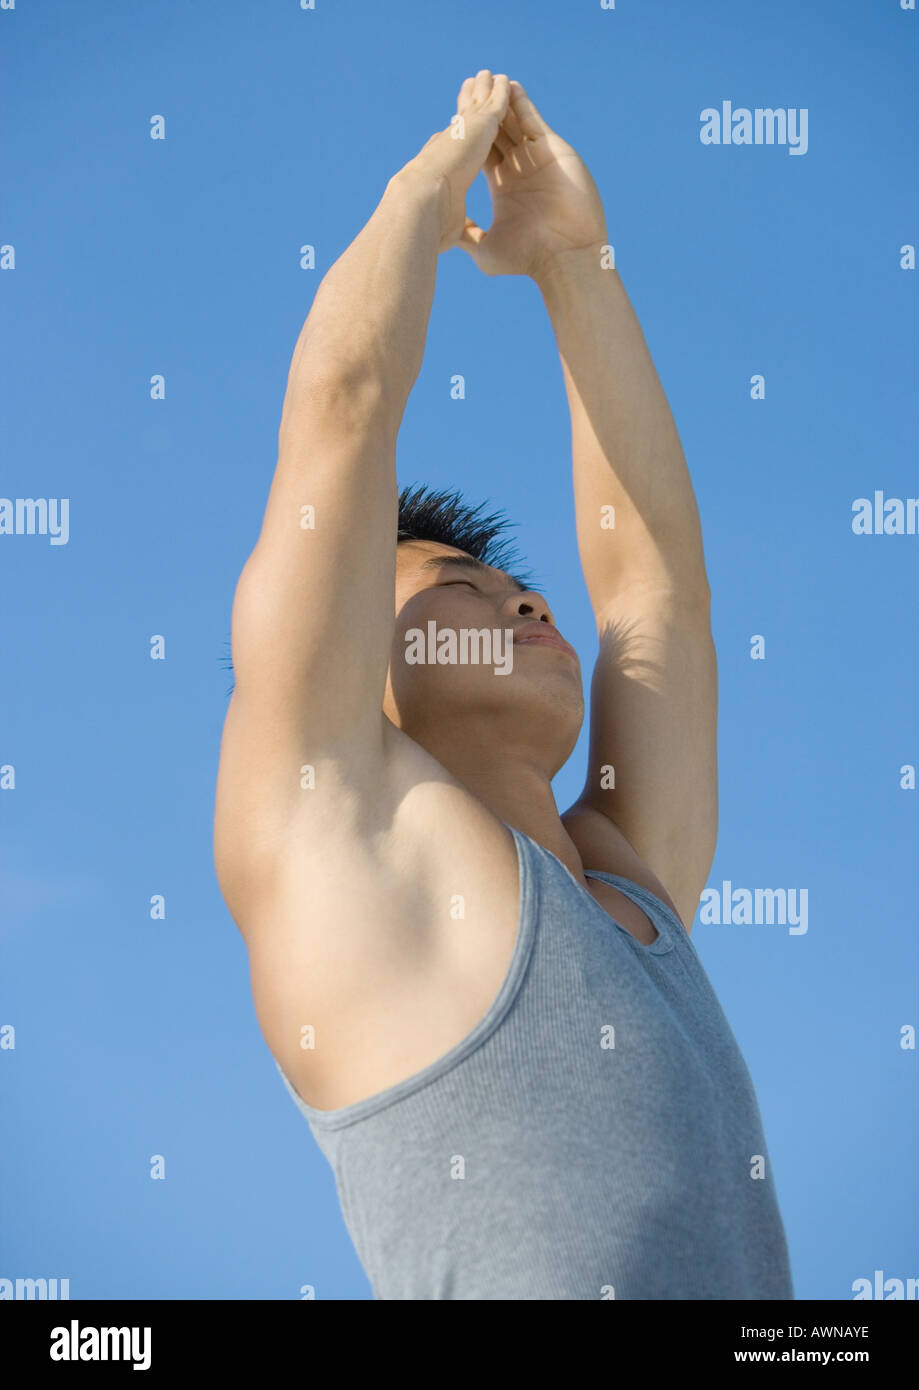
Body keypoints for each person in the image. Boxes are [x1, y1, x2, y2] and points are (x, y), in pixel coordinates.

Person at [214, 71, 794, 1300]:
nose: (523, 598)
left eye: (516, 582)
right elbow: (342, 409)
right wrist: (428, 187)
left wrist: (572, 263)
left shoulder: (631, 873)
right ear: (348, 664)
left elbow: (653, 594)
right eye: (455, 586)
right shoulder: (341, 847)